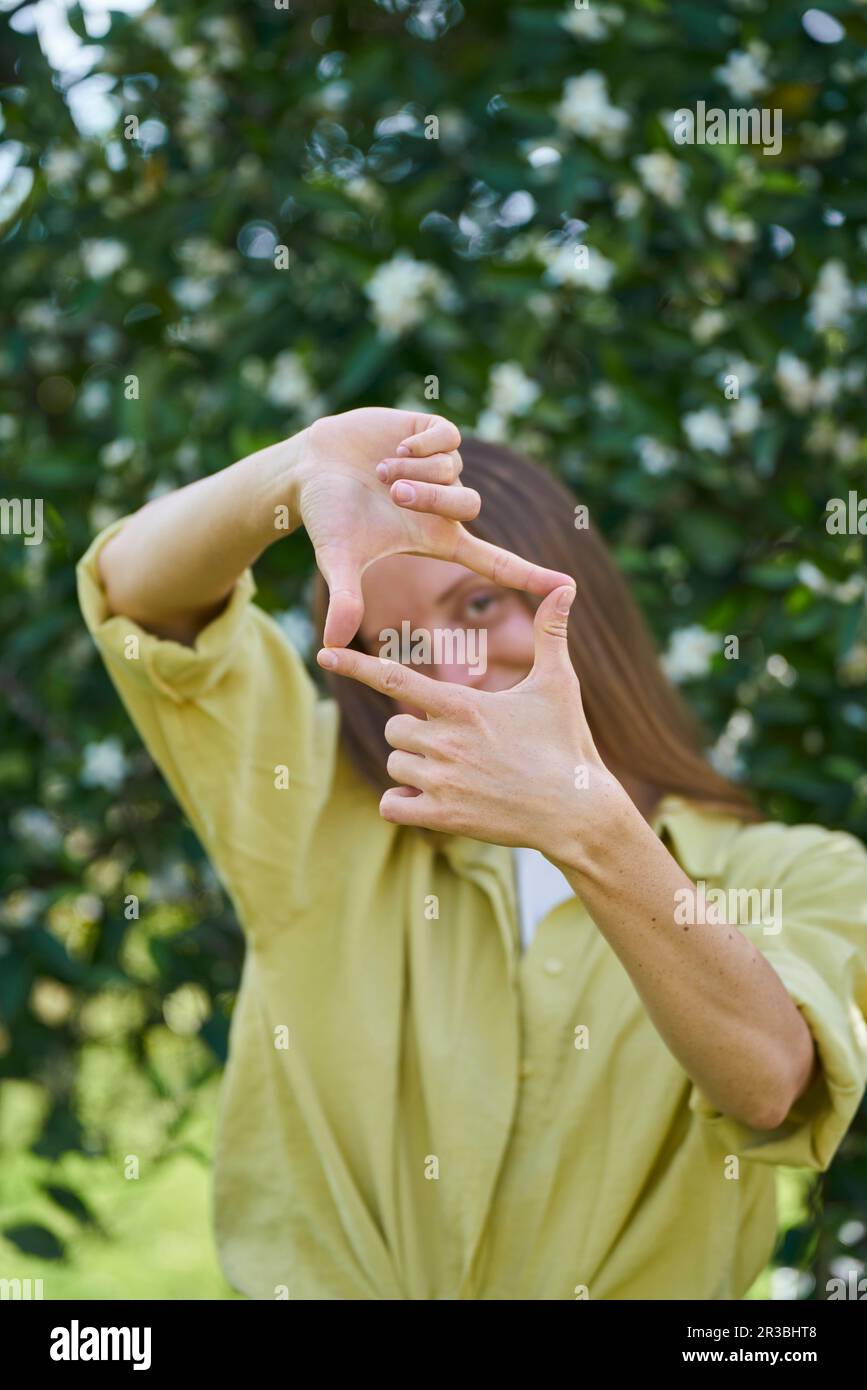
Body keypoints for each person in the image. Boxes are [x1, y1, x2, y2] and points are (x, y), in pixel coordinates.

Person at [76, 407, 867, 1301]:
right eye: (400, 639)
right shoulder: (316, 811)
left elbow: (769, 1083)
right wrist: (287, 476)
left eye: (479, 603)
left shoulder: (799, 870)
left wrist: (585, 825)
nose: (451, 669)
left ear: (581, 601)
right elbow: (142, 603)